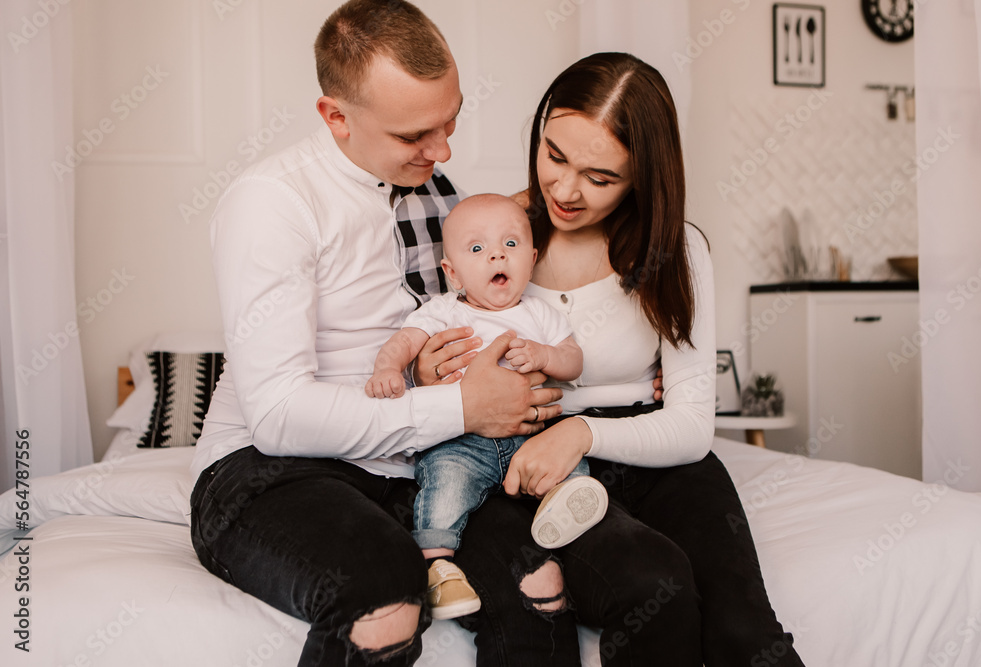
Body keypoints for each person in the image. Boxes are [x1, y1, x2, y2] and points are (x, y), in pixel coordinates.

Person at [187, 2, 584, 666]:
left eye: (450, 122)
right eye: (414, 135)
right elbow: (280, 416)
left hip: (419, 462)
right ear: (335, 117)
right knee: (383, 599)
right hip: (270, 470)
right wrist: (460, 404)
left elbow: (471, 313)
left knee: (540, 585)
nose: (443, 151)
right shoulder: (272, 203)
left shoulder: (440, 192)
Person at [416, 52, 807, 666]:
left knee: (746, 633)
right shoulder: (494, 231)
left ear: (643, 176)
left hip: (653, 453)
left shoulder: (675, 250)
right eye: (555, 155)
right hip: (540, 460)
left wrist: (581, 430)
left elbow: (690, 428)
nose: (566, 191)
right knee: (657, 586)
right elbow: (435, 341)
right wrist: (427, 370)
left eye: (600, 178)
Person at [365, 193, 608, 620]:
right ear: (452, 272)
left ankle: (562, 507)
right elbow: (405, 342)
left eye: (511, 245)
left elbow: (574, 361)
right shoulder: (442, 311)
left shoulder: (540, 314)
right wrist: (388, 366)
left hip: (532, 437)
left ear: (531, 259)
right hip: (461, 442)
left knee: (568, 465)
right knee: (444, 483)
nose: (497, 253)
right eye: (477, 249)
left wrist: (544, 356)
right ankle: (438, 566)